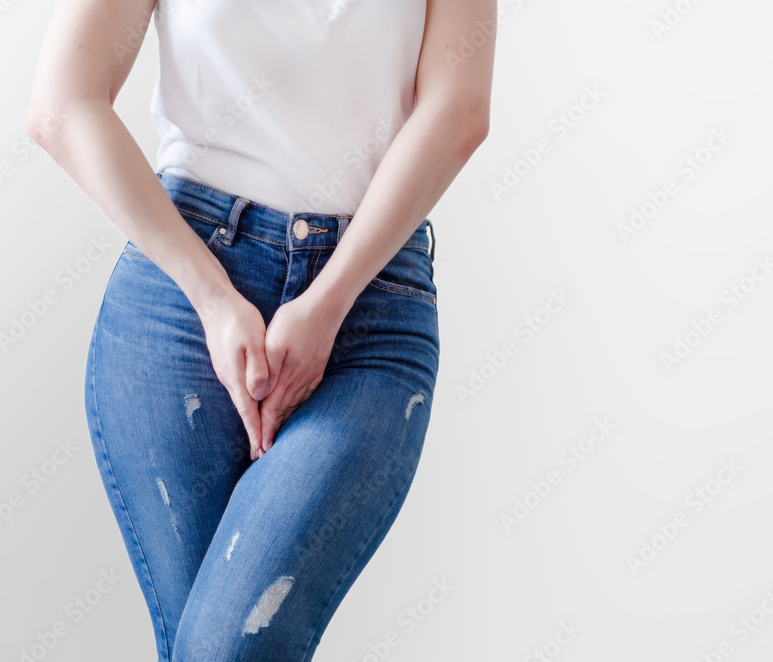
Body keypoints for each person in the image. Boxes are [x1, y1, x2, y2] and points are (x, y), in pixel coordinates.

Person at [26, 0, 495, 659]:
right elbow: (62, 105)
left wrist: (328, 300)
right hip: (181, 302)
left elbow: (459, 110)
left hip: (369, 310)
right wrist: (214, 299)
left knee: (226, 647)